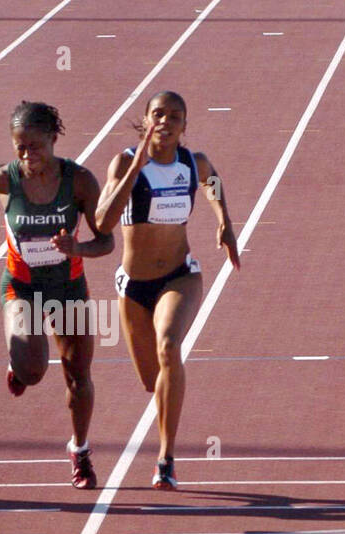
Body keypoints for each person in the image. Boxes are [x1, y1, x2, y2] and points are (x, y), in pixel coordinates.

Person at [0, 101, 111, 489]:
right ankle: (20, 365)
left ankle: (80, 450)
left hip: (68, 287)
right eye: (19, 147)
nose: (27, 155)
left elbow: (106, 241)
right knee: (34, 371)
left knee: (78, 376)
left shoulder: (80, 182)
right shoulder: (4, 179)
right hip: (22, 286)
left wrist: (79, 249)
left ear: (53, 139)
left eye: (35, 147)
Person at [96, 91, 240, 489]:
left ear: (184, 125)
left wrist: (224, 221)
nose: (166, 121)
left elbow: (212, 181)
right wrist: (134, 169)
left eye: (175, 116)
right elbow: (103, 222)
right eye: (158, 114)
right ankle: (165, 448)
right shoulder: (126, 162)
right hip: (133, 285)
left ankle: (166, 458)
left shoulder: (194, 163)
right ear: (146, 120)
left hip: (180, 275)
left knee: (169, 347)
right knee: (151, 381)